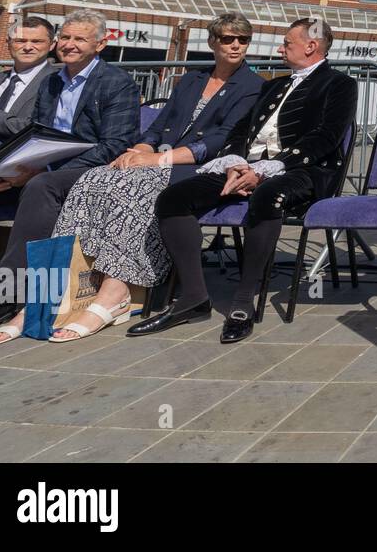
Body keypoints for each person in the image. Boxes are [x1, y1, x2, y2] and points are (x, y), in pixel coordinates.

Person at [0, 14, 263, 345]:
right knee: (96, 179)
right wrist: (138, 149)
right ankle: (56, 288)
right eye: (228, 38)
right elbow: (160, 125)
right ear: (213, 41)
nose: (235, 45)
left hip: (204, 166)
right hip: (160, 156)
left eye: (242, 40)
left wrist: (158, 158)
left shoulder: (253, 86)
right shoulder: (191, 79)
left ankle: (115, 292)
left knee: (136, 185)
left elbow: (222, 138)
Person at [130, 18, 356, 344]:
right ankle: (194, 298)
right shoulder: (273, 85)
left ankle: (242, 302)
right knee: (174, 198)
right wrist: (236, 162)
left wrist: (268, 168)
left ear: (311, 46)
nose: (280, 48)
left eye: (287, 44)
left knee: (267, 196)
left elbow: (325, 138)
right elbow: (240, 131)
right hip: (246, 168)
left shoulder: (339, 84)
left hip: (301, 172)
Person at [0, 10, 139, 336]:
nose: (69, 45)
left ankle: (7, 292)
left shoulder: (117, 83)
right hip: (39, 166)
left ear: (100, 44)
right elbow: (35, 133)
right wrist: (11, 166)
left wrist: (38, 169)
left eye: (80, 39)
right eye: (66, 37)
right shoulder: (51, 82)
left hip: (88, 169)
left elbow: (114, 145)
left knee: (42, 185)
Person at [0, 16, 58, 168]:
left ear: (52, 45)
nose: (28, 47)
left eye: (37, 41)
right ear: (8, 43)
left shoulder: (56, 82)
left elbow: (39, 129)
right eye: (20, 41)